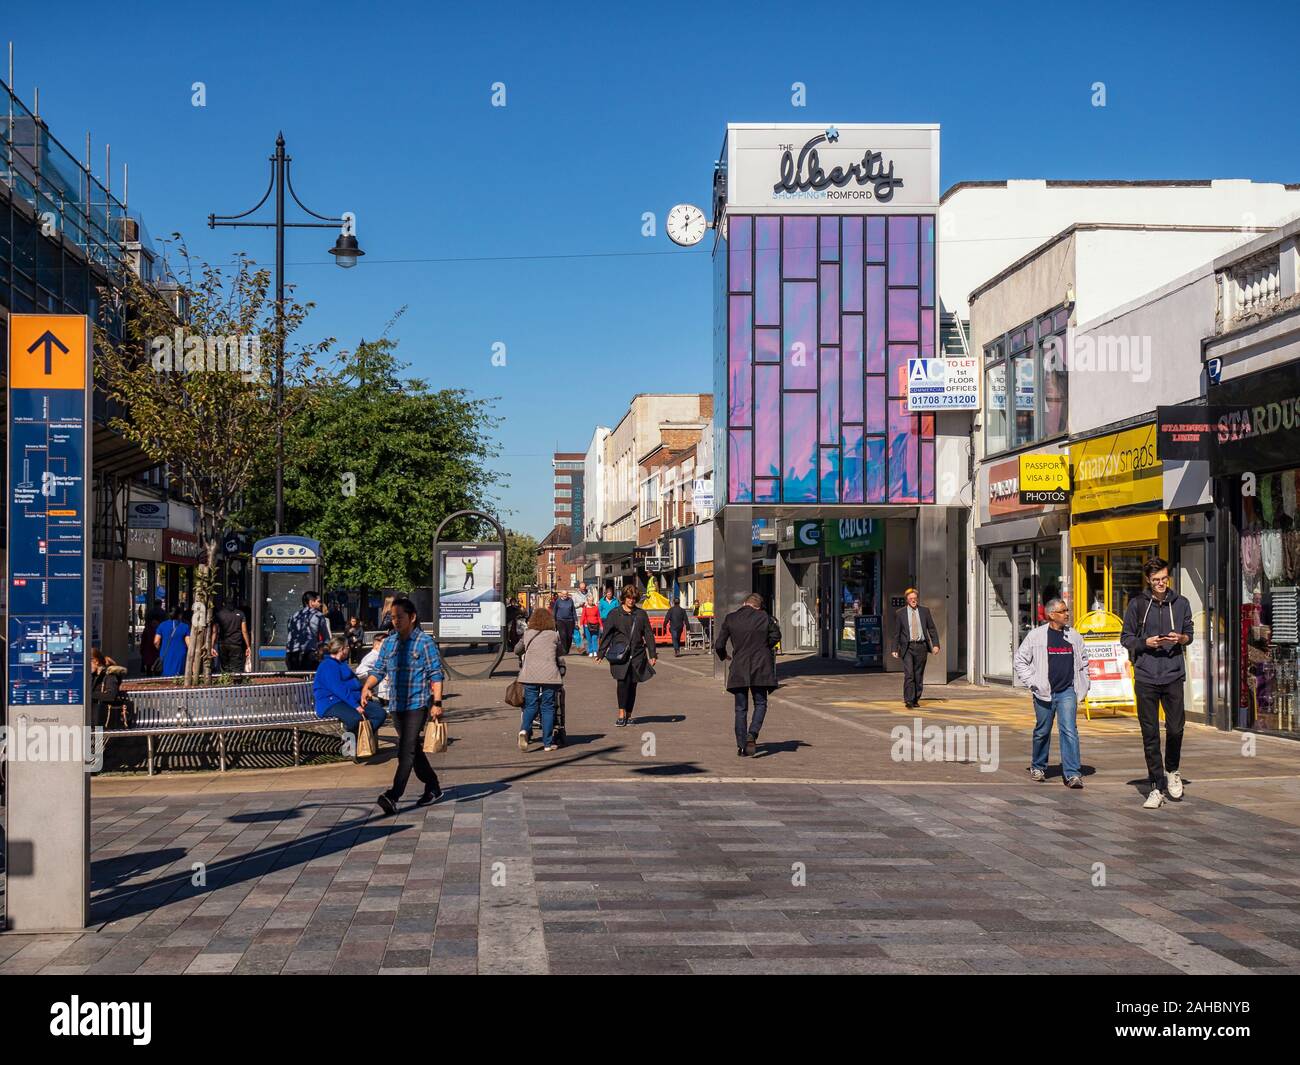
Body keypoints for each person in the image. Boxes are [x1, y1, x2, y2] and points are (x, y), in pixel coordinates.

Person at [1121, 557, 1194, 809]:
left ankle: (1172, 769)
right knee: (1150, 733)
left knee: (1175, 729)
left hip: (1173, 673)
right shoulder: (1138, 605)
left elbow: (1190, 635)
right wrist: (1145, 643)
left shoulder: (1181, 603)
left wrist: (1181, 637)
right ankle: (1155, 785)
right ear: (1148, 581)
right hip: (1146, 676)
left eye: (1164, 578)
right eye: (1156, 580)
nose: (1161, 583)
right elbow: (1126, 638)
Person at [361, 597, 444, 813]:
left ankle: (393, 795)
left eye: (399, 617)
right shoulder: (389, 643)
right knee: (413, 748)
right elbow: (379, 669)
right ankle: (433, 785)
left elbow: (436, 674)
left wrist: (437, 702)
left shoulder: (424, 643)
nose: (395, 621)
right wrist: (367, 687)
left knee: (406, 750)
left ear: (412, 617)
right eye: (392, 617)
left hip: (417, 704)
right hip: (397, 705)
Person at [1013, 597, 1090, 789]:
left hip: (1067, 691)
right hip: (1044, 692)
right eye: (1063, 611)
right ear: (1051, 615)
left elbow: (1084, 661)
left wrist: (1084, 683)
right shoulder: (1036, 636)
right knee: (1042, 731)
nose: (1067, 614)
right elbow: (1020, 661)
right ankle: (1038, 766)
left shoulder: (1074, 636)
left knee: (1069, 731)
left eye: (1067, 610)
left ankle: (1072, 774)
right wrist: (1033, 682)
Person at [713, 593, 782, 757]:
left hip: (739, 667)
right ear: (758, 607)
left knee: (740, 709)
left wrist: (724, 656)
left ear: (745, 603)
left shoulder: (731, 618)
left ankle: (742, 746)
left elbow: (719, 644)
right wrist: (765, 647)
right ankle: (753, 733)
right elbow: (776, 636)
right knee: (760, 703)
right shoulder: (764, 617)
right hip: (761, 667)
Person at [597, 584, 657, 727]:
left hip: (637, 655)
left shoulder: (641, 614)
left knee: (633, 685)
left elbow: (648, 634)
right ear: (623, 598)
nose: (631, 600)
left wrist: (652, 654)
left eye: (633, 598)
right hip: (620, 655)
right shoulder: (614, 614)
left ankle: (629, 714)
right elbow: (607, 634)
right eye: (628, 597)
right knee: (622, 684)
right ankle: (621, 713)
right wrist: (601, 652)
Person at [314, 635, 386, 754]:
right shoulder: (328, 665)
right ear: (342, 649)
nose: (349, 649)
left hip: (351, 698)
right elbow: (338, 688)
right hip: (332, 702)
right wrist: (355, 706)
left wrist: (364, 690)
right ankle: (350, 746)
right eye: (347, 647)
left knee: (379, 713)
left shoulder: (341, 664)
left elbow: (354, 683)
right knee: (354, 719)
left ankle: (359, 741)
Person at [513, 605, 566, 752]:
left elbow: (517, 650)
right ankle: (548, 744)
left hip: (530, 675)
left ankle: (524, 730)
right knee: (548, 707)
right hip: (550, 676)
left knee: (531, 705)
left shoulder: (528, 634)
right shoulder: (554, 635)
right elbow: (561, 652)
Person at [891, 587, 940, 709]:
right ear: (907, 600)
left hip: (921, 646)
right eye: (911, 598)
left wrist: (936, 644)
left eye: (915, 598)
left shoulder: (924, 611)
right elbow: (897, 633)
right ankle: (908, 700)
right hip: (907, 647)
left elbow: (932, 629)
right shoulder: (900, 613)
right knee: (909, 674)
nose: (913, 600)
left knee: (918, 674)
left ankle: (916, 698)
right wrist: (894, 649)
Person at [286, 590, 329, 671]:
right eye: (318, 601)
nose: (320, 604)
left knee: (294, 680)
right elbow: (326, 637)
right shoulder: (318, 616)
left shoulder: (294, 616)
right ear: (311, 602)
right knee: (308, 680)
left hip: (291, 655)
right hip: (308, 654)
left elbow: (289, 632)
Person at [210, 597, 251, 674]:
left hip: (223, 644)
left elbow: (214, 631)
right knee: (237, 667)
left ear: (223, 604)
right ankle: (236, 683)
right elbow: (244, 631)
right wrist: (248, 646)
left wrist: (212, 646)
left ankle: (226, 682)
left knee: (225, 667)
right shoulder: (241, 614)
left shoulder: (219, 614)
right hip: (236, 644)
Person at [90, 649, 127, 728]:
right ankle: (89, 739)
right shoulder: (93, 676)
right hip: (92, 718)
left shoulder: (110, 675)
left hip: (102, 719)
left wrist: (88, 695)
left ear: (96, 661)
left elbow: (111, 695)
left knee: (97, 738)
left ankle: (97, 740)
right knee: (86, 736)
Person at [154, 606, 191, 677]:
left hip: (165, 654)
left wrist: (160, 649)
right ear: (180, 615)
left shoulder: (162, 625)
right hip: (180, 655)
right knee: (179, 676)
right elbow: (189, 644)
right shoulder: (185, 626)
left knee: (166, 676)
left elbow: (156, 641)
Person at [355, 632, 391, 705]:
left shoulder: (379, 656)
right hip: (374, 687)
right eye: (386, 644)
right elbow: (359, 672)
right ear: (377, 645)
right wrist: (370, 675)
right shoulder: (373, 656)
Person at [140, 604, 164, 675]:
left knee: (149, 666)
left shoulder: (148, 628)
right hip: (156, 650)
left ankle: (149, 677)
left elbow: (143, 640)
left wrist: (142, 649)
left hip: (148, 649)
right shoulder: (160, 628)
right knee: (157, 667)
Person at [553, 589, 577, 655]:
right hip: (560, 620)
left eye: (566, 594)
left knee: (569, 636)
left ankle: (567, 648)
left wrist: (576, 620)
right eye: (563, 594)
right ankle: (564, 650)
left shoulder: (570, 600)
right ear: (561, 594)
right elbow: (554, 611)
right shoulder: (558, 601)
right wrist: (554, 620)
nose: (565, 596)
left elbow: (573, 611)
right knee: (563, 635)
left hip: (570, 620)